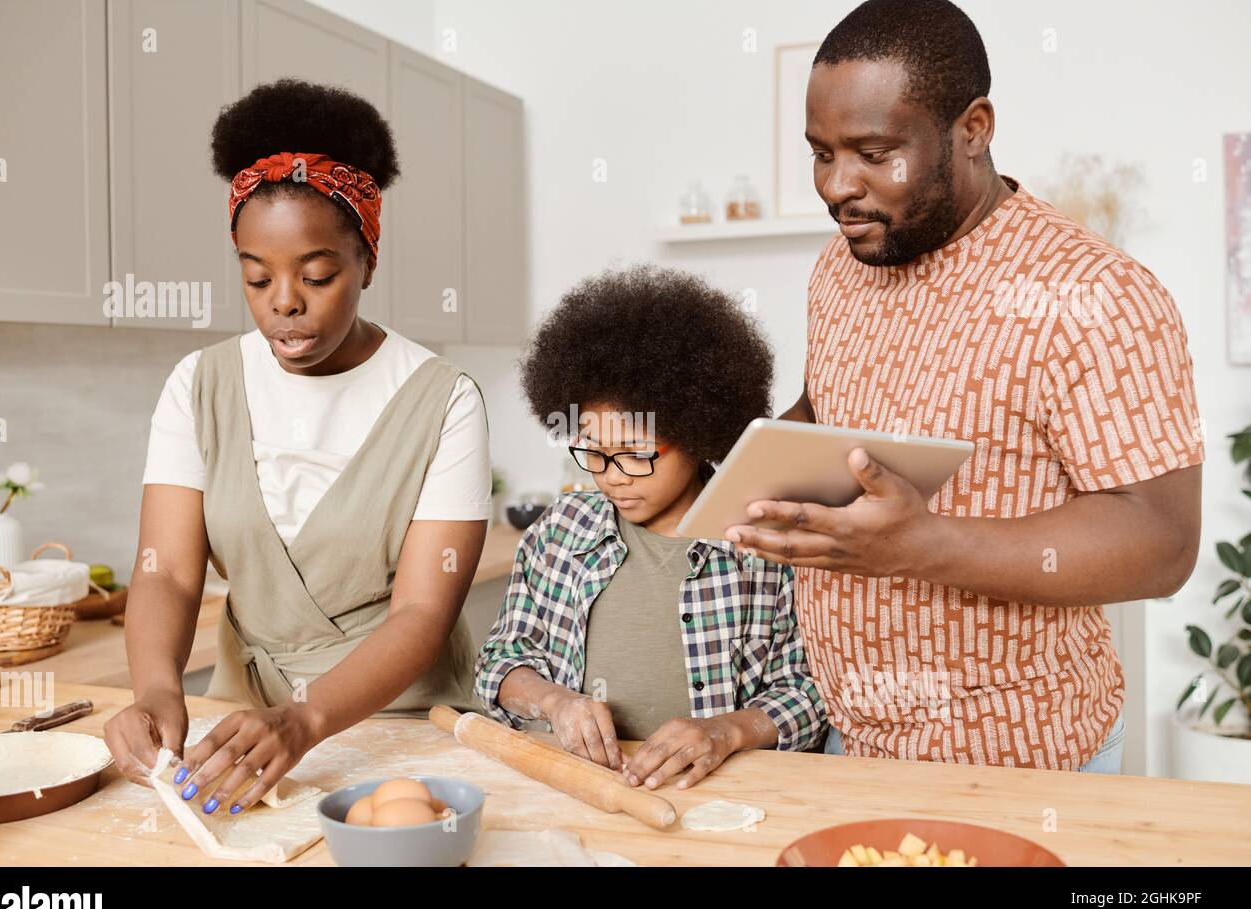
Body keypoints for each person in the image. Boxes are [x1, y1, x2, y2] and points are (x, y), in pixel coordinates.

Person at [727, 0, 1203, 772]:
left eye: (875, 153)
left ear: (973, 128)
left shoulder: (1095, 292)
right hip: (848, 740)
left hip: (1025, 762)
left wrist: (924, 546)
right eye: (821, 153)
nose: (838, 186)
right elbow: (826, 410)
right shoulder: (839, 268)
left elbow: (1162, 540)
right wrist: (753, 473)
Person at [103, 79, 492, 812]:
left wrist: (305, 719)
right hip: (239, 721)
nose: (284, 300)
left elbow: (420, 613)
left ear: (368, 262)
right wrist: (155, 692)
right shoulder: (199, 384)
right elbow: (168, 574)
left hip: (401, 722)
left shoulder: (444, 399)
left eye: (316, 275)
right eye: (257, 277)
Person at [476, 265, 826, 791]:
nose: (612, 477)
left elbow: (808, 690)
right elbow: (501, 660)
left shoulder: (765, 541)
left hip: (725, 792)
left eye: (636, 454)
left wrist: (726, 731)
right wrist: (555, 701)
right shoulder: (560, 533)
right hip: (584, 787)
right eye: (594, 451)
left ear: (697, 430)